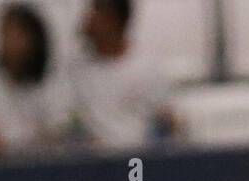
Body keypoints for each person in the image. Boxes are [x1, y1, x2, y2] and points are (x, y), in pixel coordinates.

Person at [0, 3, 71, 154]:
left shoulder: (48, 83)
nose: (9, 42)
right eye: (5, 33)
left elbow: (57, 137)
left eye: (18, 35)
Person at [70, 0, 172, 149]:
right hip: (89, 164)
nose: (87, 20)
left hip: (136, 162)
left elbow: (164, 118)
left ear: (113, 21)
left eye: (96, 13)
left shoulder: (146, 69)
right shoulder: (76, 70)